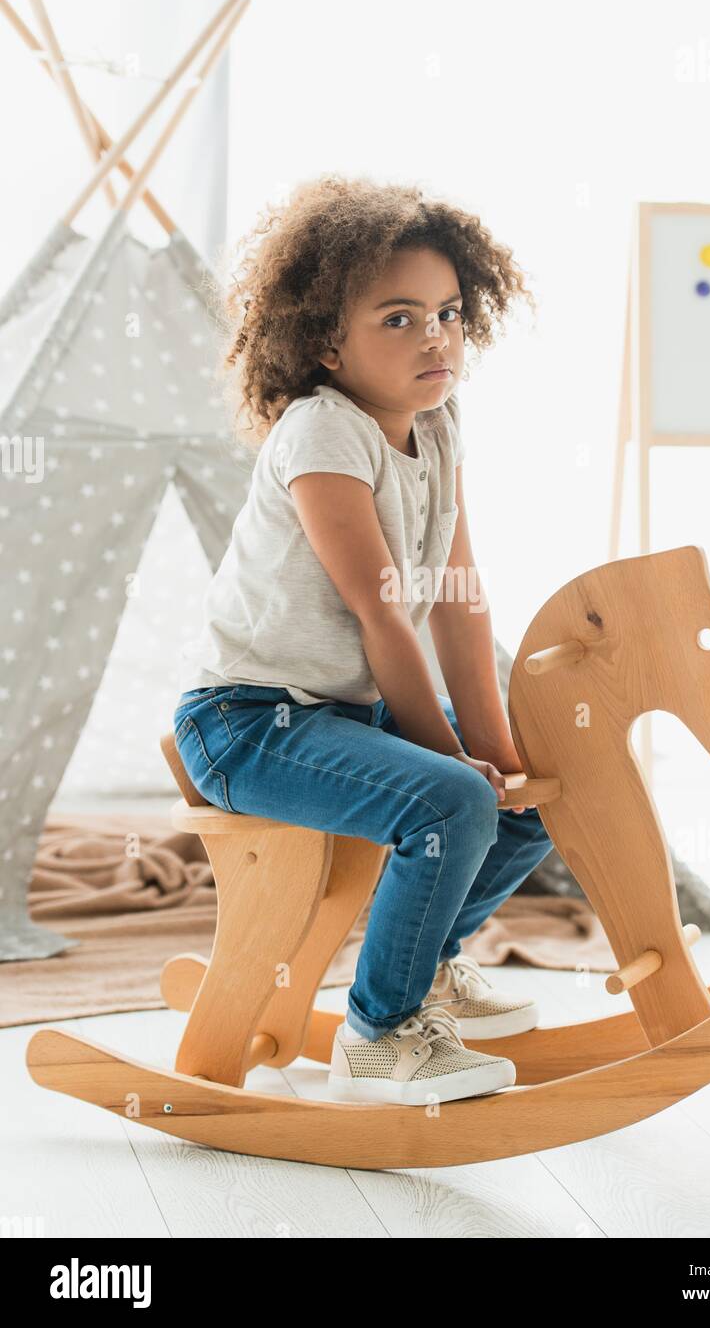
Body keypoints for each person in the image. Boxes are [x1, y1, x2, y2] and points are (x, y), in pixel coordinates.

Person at [174, 174, 554, 1106]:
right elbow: (384, 610)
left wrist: (498, 752)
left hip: (341, 709)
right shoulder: (322, 433)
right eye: (398, 318)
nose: (436, 338)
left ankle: (420, 971)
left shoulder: (437, 423)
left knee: (534, 798)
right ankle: (378, 1037)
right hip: (249, 721)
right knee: (454, 802)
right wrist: (450, 762)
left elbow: (458, 601)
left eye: (449, 312)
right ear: (323, 344)